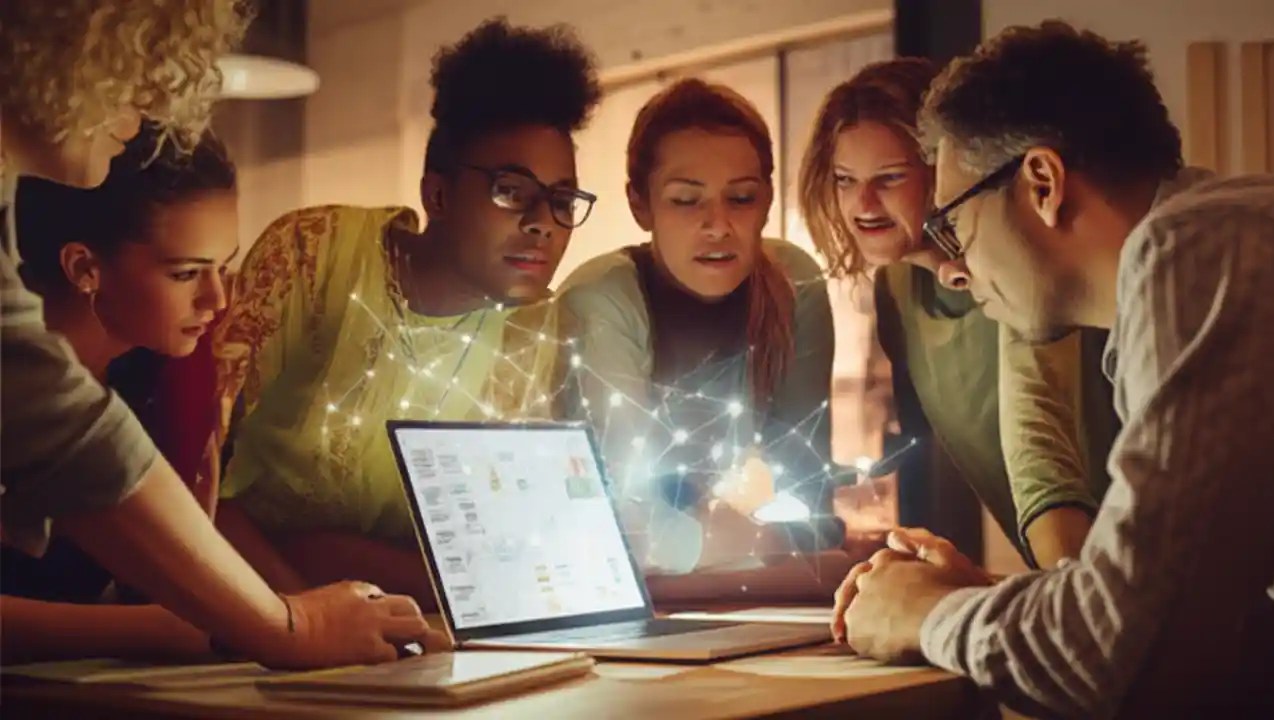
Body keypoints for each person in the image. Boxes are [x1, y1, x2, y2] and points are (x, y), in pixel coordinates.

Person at [831, 22, 1274, 717]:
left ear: (1042, 181)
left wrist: (929, 616)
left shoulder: (1191, 246)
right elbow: (1214, 633)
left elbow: (1132, 661)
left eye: (953, 220)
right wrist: (989, 602)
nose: (959, 264)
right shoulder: (1217, 243)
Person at [0, 1, 438, 668]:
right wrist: (281, 624)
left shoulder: (164, 383)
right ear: (54, 51)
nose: (145, 114)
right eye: (125, 76)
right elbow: (65, 435)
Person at [213, 18, 602, 605]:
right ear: (437, 195)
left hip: (398, 627)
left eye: (562, 200)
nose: (542, 222)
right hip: (227, 604)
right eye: (511, 191)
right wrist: (298, 621)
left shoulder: (538, 333)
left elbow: (485, 558)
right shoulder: (315, 254)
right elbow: (190, 472)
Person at [798, 58, 1119, 569]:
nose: (862, 203)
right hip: (1058, 583)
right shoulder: (897, 289)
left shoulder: (1021, 265)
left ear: (943, 169)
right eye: (843, 179)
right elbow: (934, 462)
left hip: (1130, 569)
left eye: (889, 177)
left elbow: (1048, 465)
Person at [557, 78, 839, 576]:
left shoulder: (795, 283)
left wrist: (780, 539)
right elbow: (623, 523)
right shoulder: (602, 299)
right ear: (640, 204)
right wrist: (758, 541)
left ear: (768, 199)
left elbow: (808, 491)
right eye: (687, 201)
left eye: (742, 198)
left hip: (728, 572)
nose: (717, 225)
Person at [1, 130, 239, 661]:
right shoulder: (16, 401)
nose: (216, 299)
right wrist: (159, 629)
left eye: (223, 267)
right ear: (85, 268)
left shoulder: (160, 387)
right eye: (186, 273)